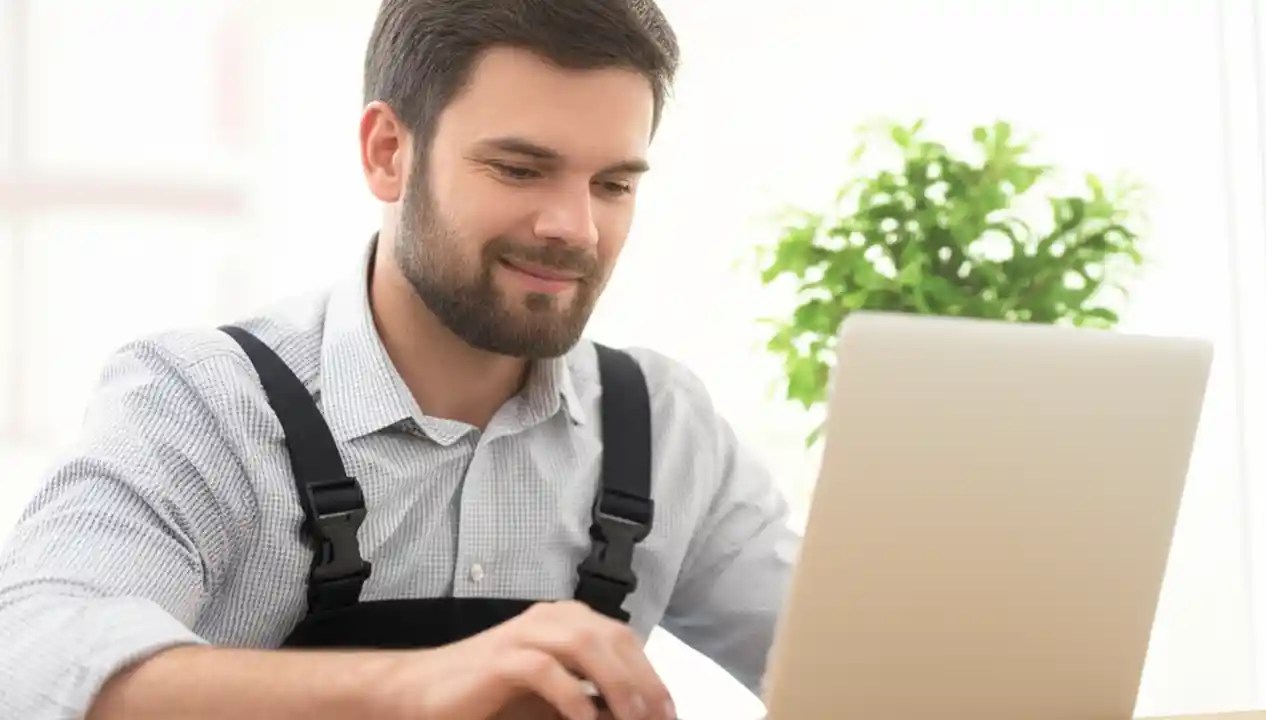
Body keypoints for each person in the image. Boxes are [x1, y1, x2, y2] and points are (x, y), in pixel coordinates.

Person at [0, 1, 799, 718]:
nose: (576, 227)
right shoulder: (201, 401)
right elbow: (32, 654)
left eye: (614, 184)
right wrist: (411, 687)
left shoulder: (664, 425)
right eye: (520, 169)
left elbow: (869, 664)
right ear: (388, 152)